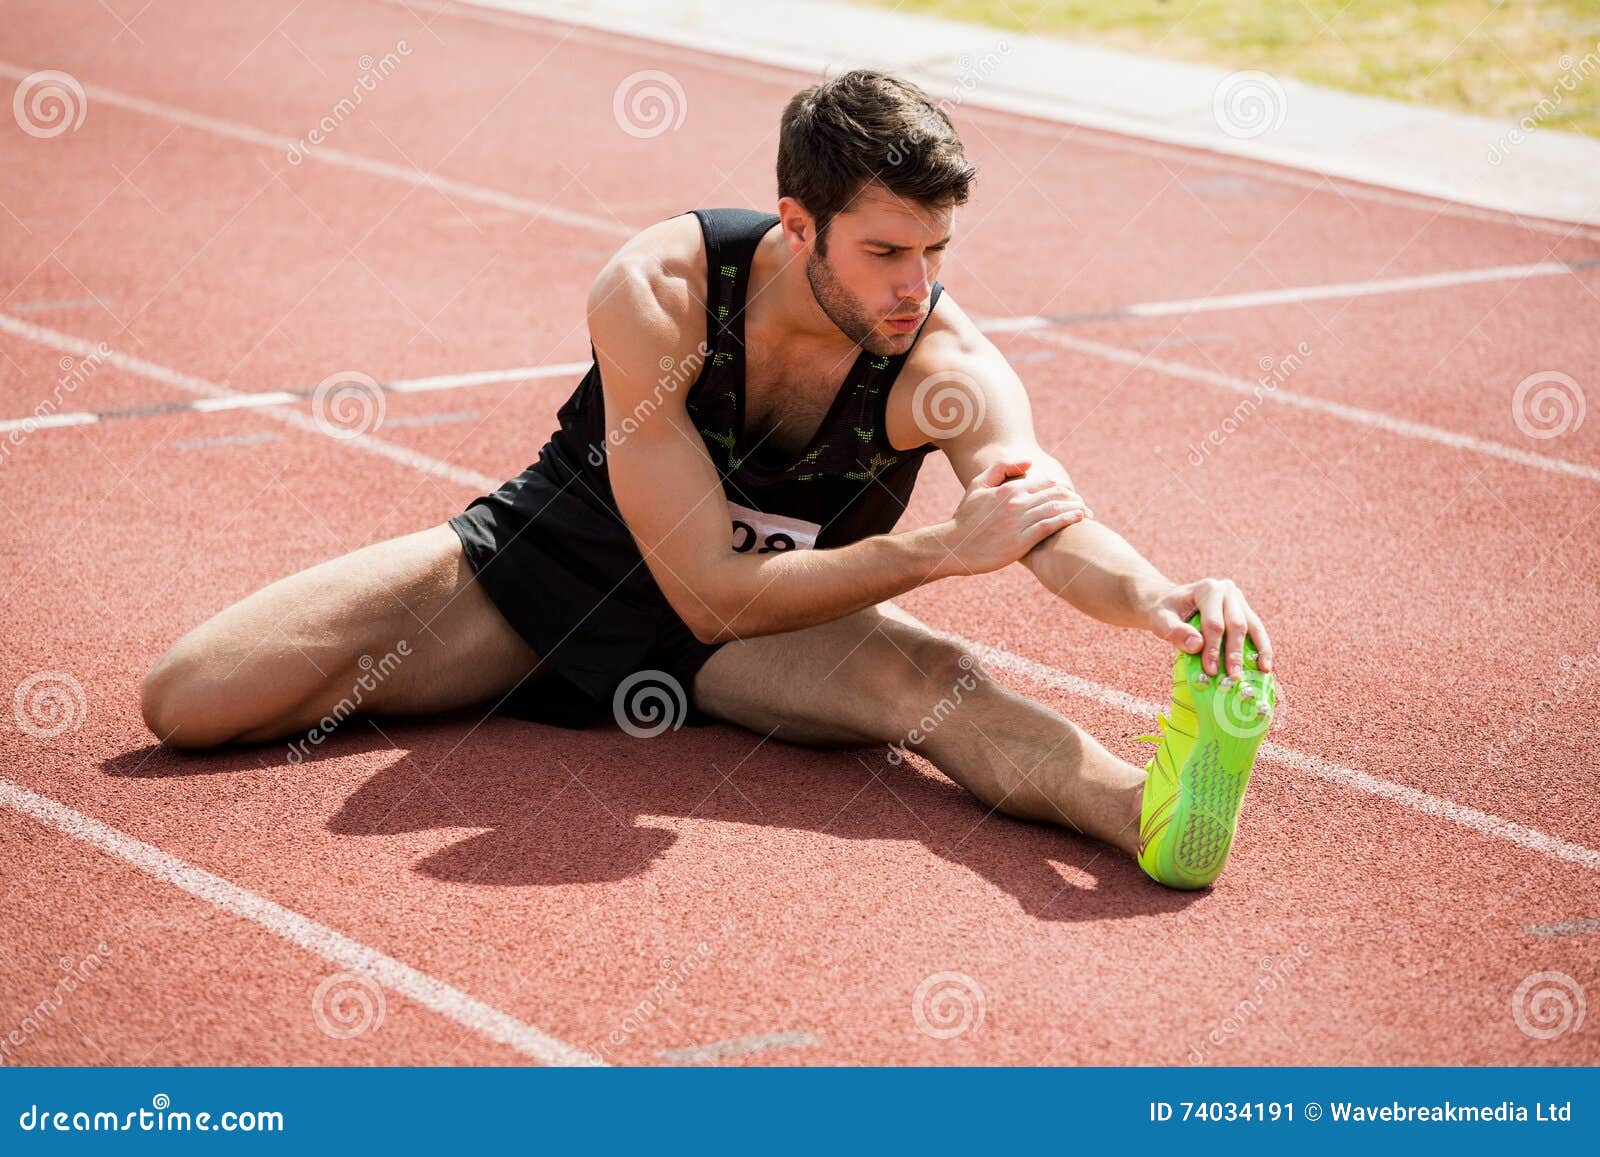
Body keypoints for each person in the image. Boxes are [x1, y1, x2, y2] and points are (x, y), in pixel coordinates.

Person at [141, 69, 1276, 889]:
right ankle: (447, 677)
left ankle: (1152, 806)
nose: (913, 289)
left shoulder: (945, 364)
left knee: (937, 684)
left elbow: (1047, 520)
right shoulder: (661, 288)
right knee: (192, 698)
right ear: (797, 223)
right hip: (553, 567)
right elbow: (699, 585)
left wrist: (1162, 598)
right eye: (884, 251)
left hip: (758, 633)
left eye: (935, 253)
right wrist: (931, 550)